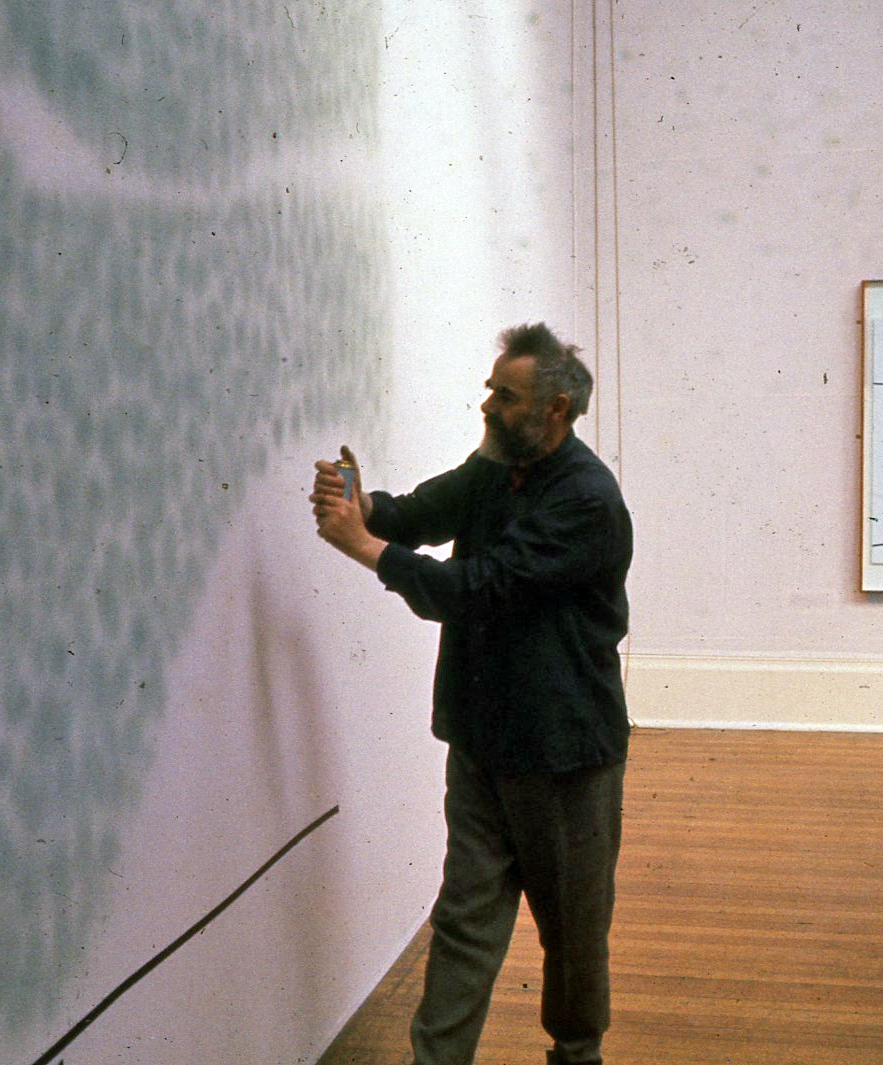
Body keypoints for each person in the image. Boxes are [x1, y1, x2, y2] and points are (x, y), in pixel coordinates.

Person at [309, 322, 633, 1065]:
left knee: (573, 932)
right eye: (490, 388)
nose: (485, 404)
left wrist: (363, 547)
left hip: (564, 756)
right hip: (483, 743)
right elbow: (420, 513)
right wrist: (363, 506)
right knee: (464, 918)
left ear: (553, 409)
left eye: (504, 394)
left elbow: (476, 590)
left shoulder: (586, 501)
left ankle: (577, 1054)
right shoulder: (494, 468)